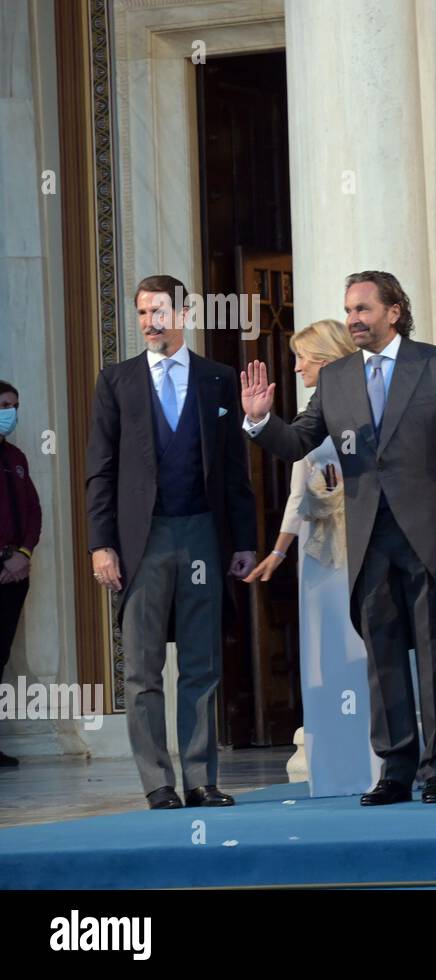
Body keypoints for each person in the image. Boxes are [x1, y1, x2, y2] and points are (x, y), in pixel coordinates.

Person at [241, 271, 436, 806]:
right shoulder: (337, 377)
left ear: (394, 311)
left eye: (363, 309)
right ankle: (395, 768)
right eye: (348, 310)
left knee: (435, 652)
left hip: (428, 536)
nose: (353, 319)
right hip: (367, 537)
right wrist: (260, 422)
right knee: (383, 654)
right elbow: (301, 439)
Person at [85, 276, 257, 808]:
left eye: (159, 311)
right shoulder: (116, 381)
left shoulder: (218, 379)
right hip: (142, 540)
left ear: (184, 313)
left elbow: (234, 469)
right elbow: (100, 471)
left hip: (203, 531)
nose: (150, 322)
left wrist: (245, 540)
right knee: (141, 669)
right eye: (142, 313)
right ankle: (158, 783)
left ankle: (201, 779)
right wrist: (101, 544)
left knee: (202, 663)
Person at [243, 320, 380, 796]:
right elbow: (299, 494)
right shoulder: (309, 417)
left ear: (325, 359)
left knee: (360, 651)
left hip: (359, 549)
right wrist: (279, 552)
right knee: (324, 660)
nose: (297, 366)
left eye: (303, 358)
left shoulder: (364, 407)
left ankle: (373, 764)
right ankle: (335, 767)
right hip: (318, 558)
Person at [0, 381, 41, 768]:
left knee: (1, 655)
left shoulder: (16, 457)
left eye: (14, 405)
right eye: (3, 405)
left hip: (16, 570)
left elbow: (32, 511)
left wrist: (23, 555)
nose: (10, 412)